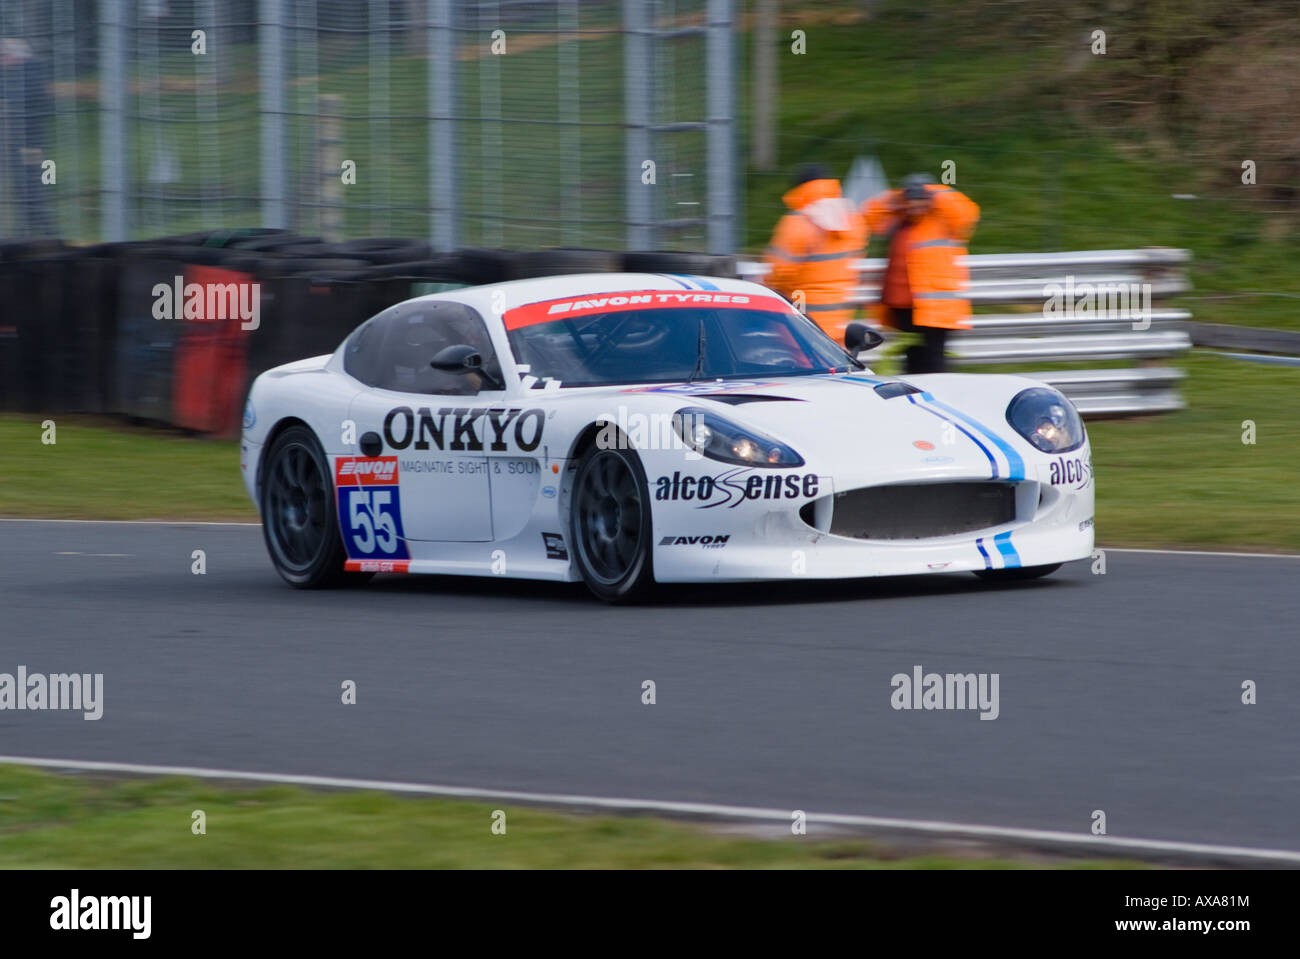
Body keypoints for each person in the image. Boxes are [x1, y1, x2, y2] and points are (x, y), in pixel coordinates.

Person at [862, 174, 979, 373]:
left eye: (920, 201)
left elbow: (968, 214)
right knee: (912, 367)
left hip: (935, 312)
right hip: (906, 311)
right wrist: (900, 195)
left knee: (933, 369)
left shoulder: (943, 220)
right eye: (911, 201)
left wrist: (934, 191)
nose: (915, 207)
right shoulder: (898, 218)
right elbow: (868, 216)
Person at [763, 164, 868, 346]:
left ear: (799, 187)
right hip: (840, 319)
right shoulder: (852, 219)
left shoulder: (796, 223)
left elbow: (780, 275)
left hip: (803, 318)